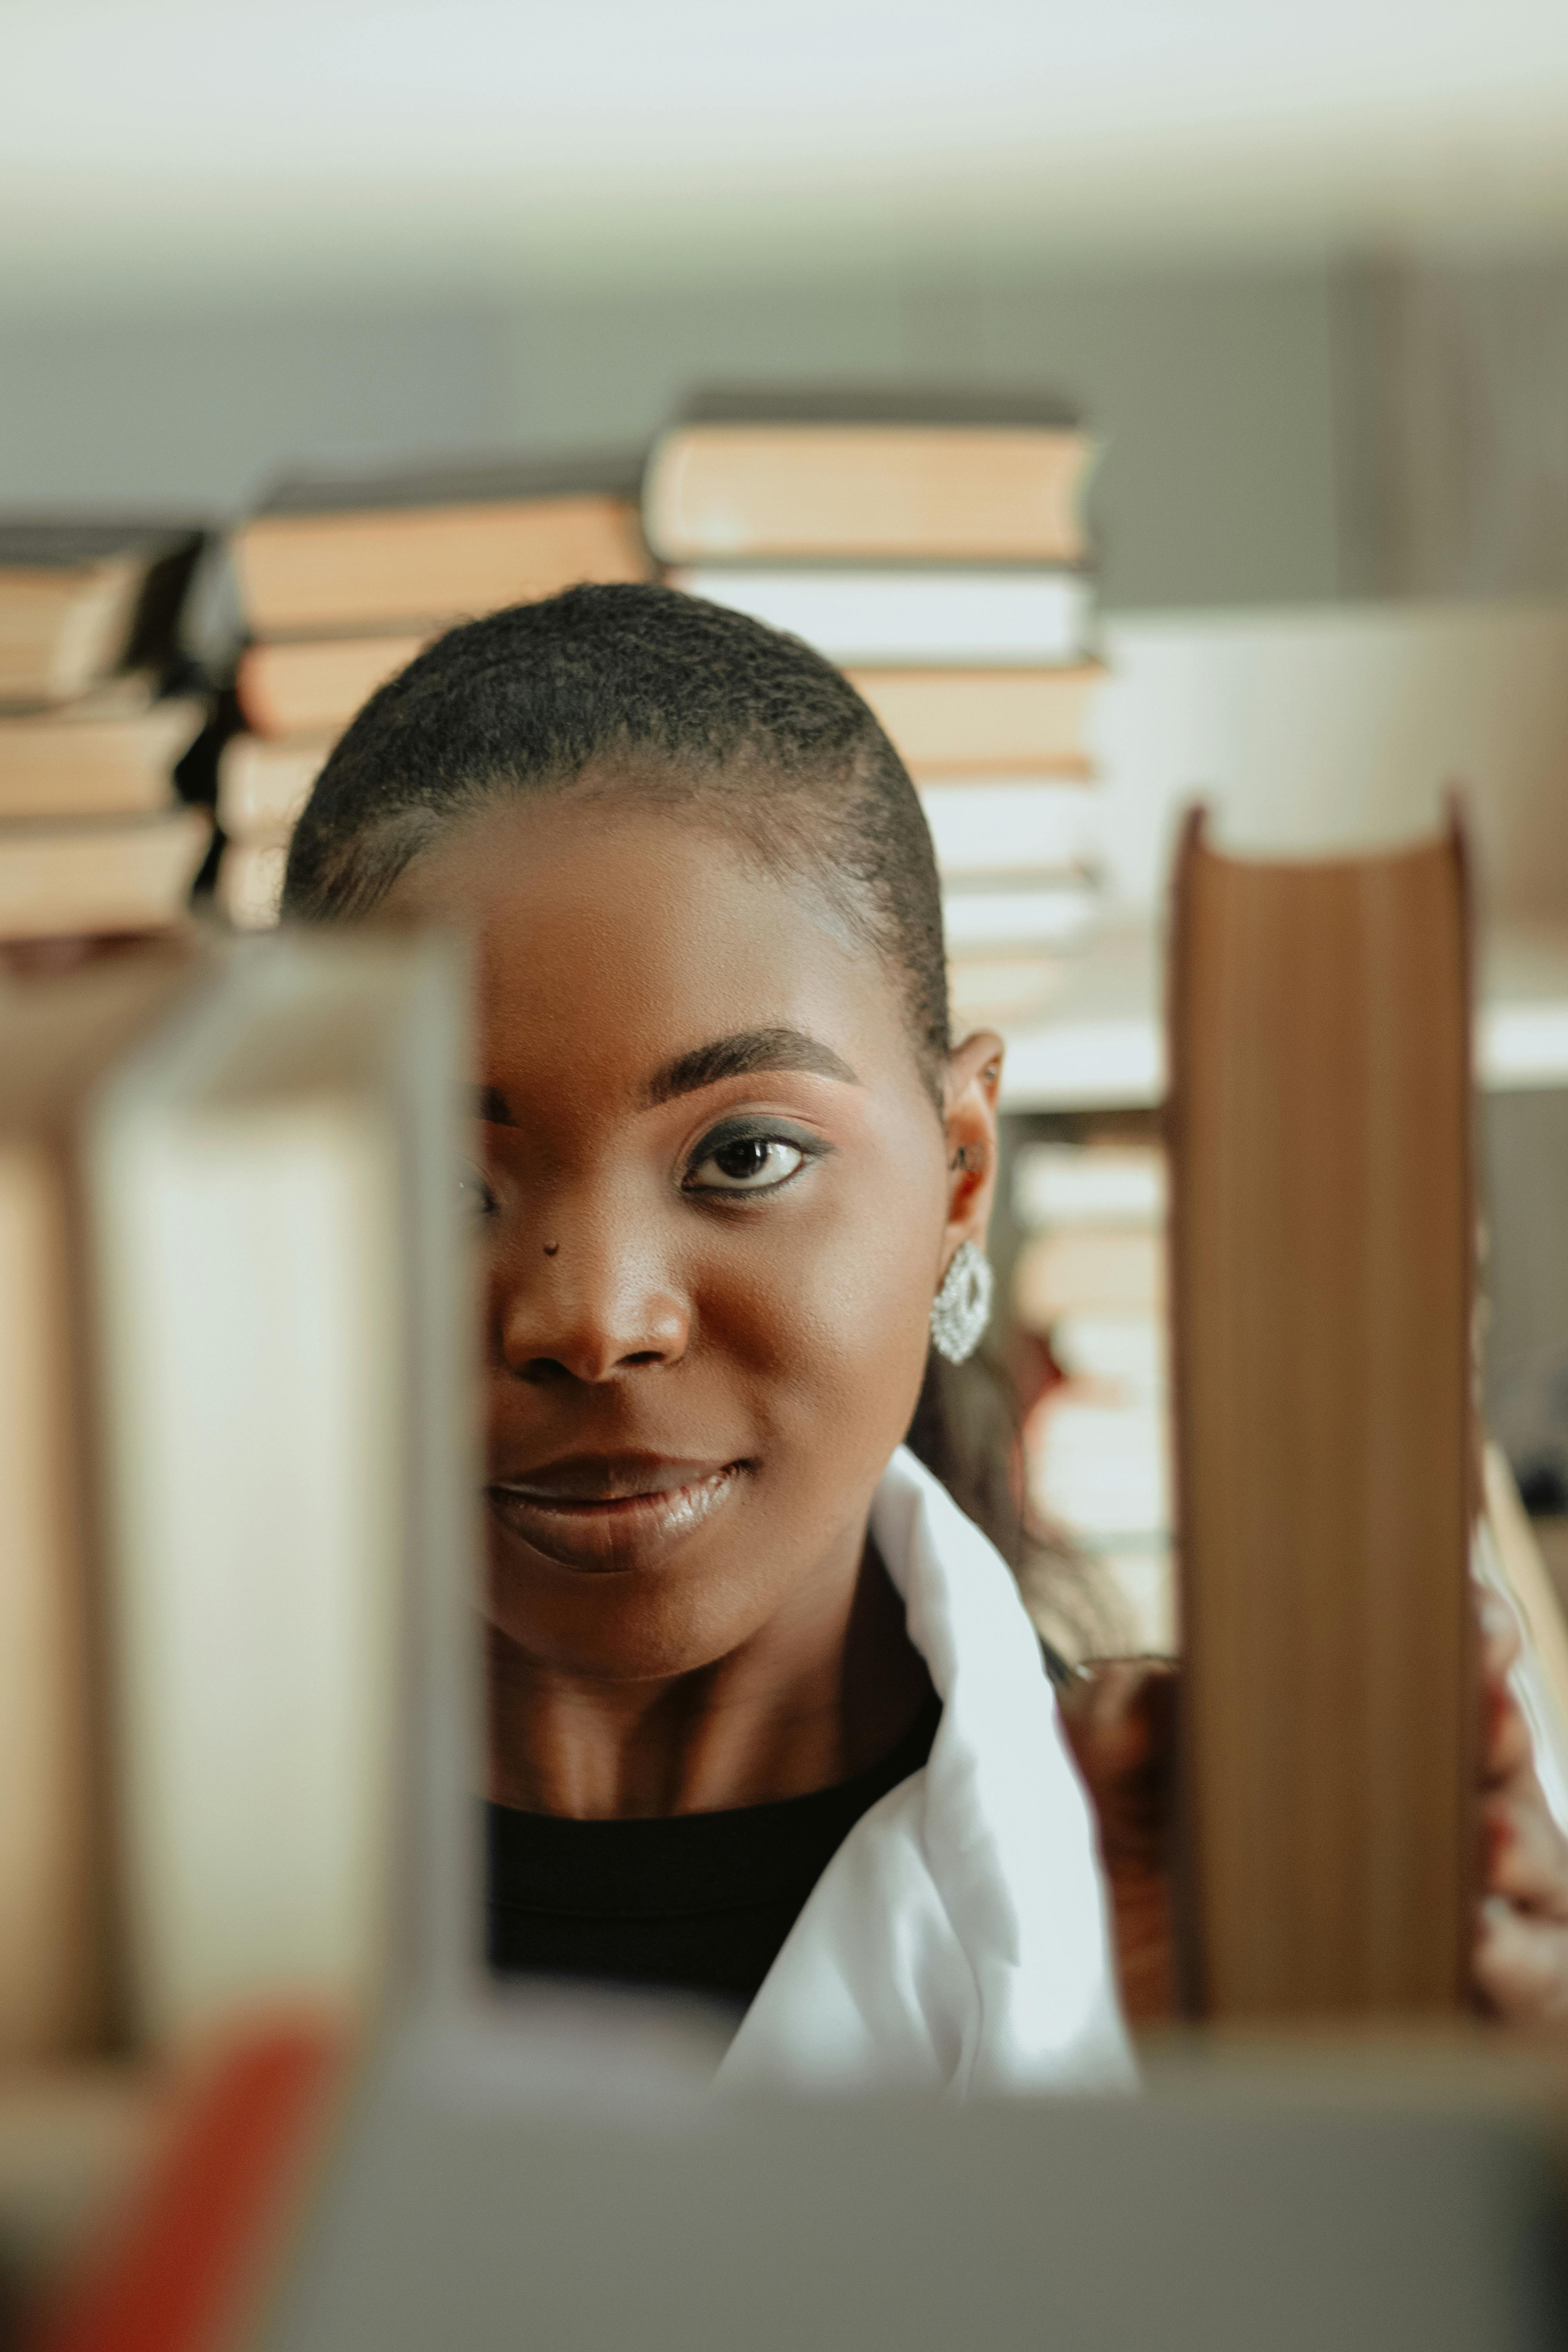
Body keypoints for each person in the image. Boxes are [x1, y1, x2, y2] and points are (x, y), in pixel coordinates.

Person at [281, 582, 1568, 2083]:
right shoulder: (105, 1882)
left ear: (960, 1175)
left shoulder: (1235, 1905)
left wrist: (1491, 2166)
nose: (593, 1320)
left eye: (745, 1156)